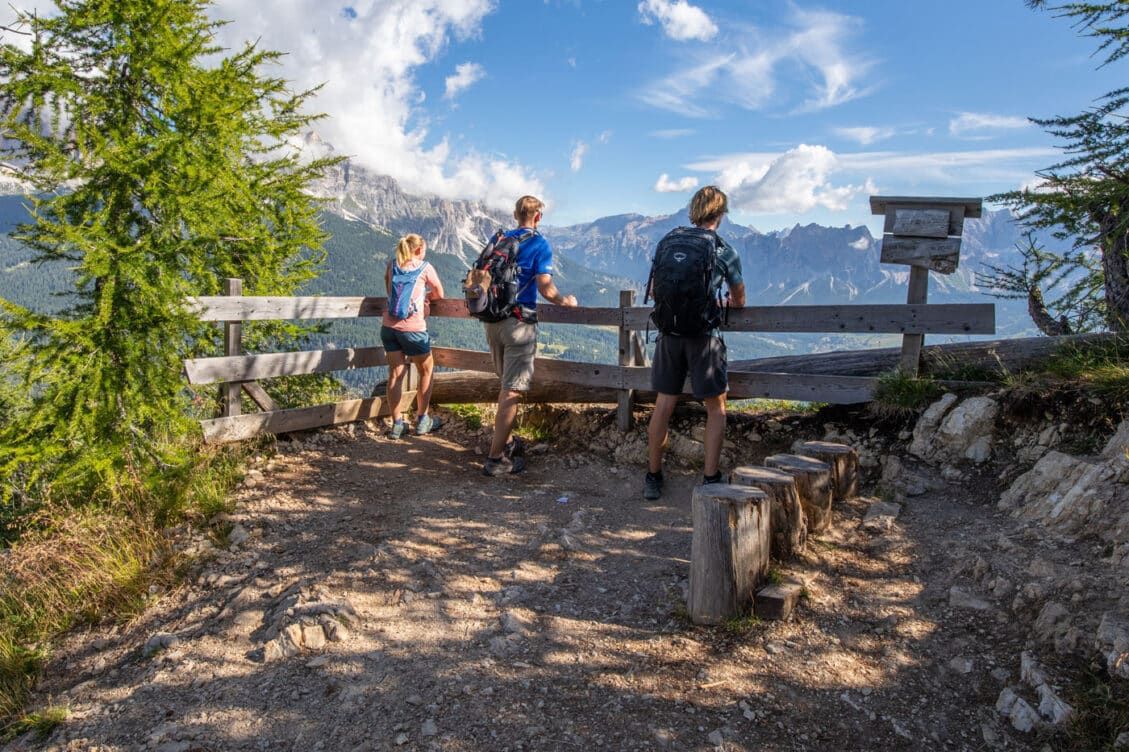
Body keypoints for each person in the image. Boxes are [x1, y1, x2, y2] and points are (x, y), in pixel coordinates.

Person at [643, 186, 745, 499]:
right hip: (704, 338)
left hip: (669, 336)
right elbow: (739, 299)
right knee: (716, 409)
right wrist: (727, 299)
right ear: (720, 214)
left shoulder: (668, 241)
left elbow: (654, 292)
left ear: (694, 211)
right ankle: (711, 478)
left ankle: (653, 476)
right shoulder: (722, 250)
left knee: (663, 405)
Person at [482, 195, 578, 476]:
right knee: (511, 390)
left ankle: (507, 442)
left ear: (515, 214)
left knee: (505, 384)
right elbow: (545, 288)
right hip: (519, 323)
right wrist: (566, 302)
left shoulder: (499, 238)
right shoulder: (539, 243)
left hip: (491, 319)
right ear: (538, 217)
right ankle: (496, 458)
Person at [382, 233, 445, 439]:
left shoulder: (393, 265)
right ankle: (422, 419)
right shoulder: (424, 267)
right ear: (418, 250)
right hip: (413, 329)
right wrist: (425, 298)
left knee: (395, 374)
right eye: (424, 249)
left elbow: (388, 287)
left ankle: (397, 423)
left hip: (389, 327)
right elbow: (439, 294)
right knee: (426, 371)